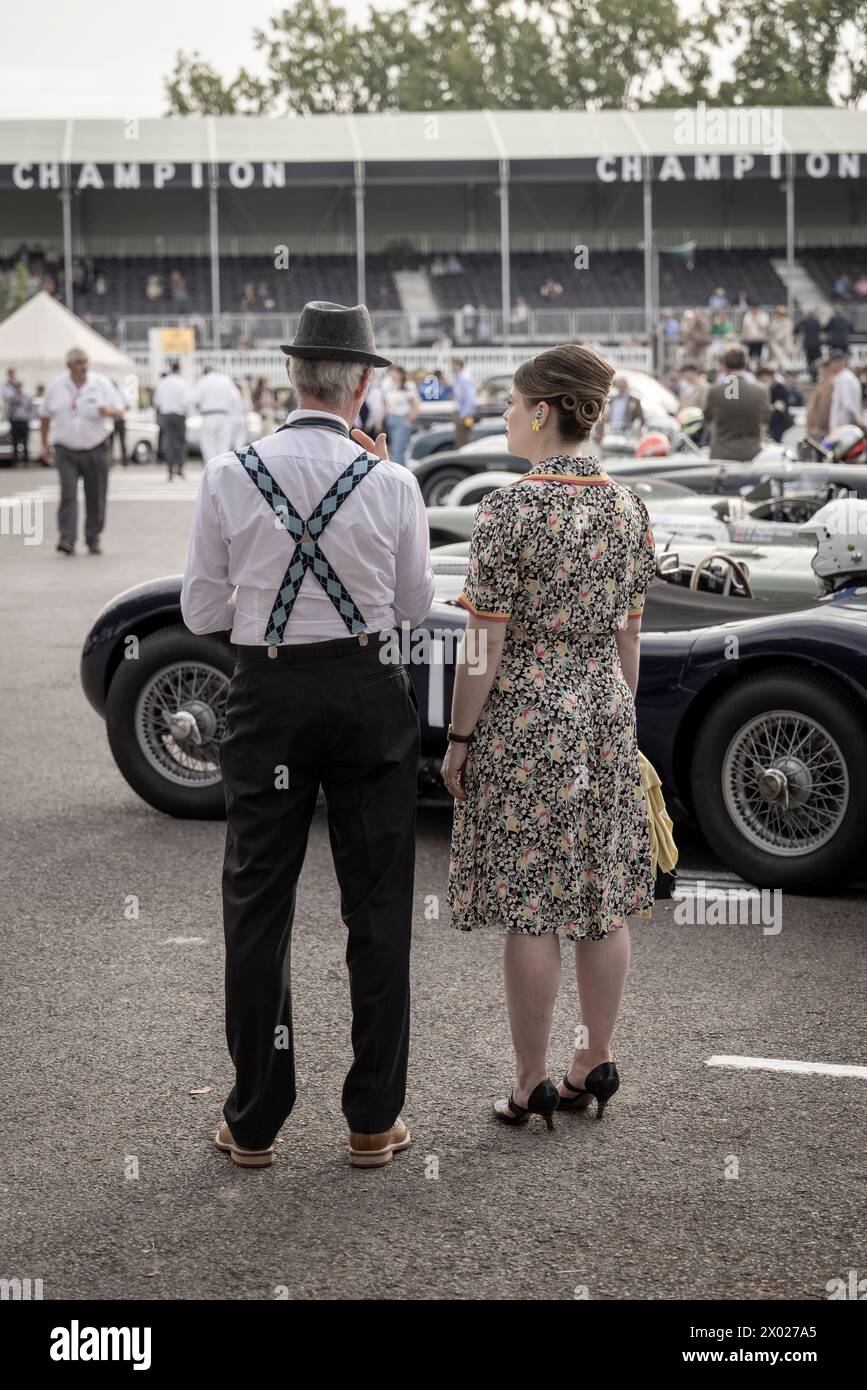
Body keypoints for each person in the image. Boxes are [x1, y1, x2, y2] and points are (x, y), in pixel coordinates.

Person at [180, 300, 435, 1169]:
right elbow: (413, 606)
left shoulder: (229, 472)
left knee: (258, 904)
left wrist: (269, 607)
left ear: (292, 375)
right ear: (361, 385)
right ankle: (372, 1118)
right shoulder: (392, 482)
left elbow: (201, 610)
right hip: (366, 690)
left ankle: (255, 1120)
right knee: (379, 905)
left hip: (268, 691)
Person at [442, 343, 657, 1130]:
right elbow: (629, 634)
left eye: (510, 402)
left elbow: (483, 642)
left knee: (531, 905)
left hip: (526, 714)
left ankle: (530, 1080)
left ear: (541, 412)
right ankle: (592, 1058)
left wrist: (459, 736)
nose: (503, 415)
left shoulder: (508, 509)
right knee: (601, 898)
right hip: (603, 708)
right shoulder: (627, 508)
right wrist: (619, 719)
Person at [40, 347, 124, 554]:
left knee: (96, 495)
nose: (83, 367)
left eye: (85, 362)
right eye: (79, 363)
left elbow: (120, 411)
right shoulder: (56, 386)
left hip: (96, 447)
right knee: (68, 493)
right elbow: (45, 416)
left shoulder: (101, 384)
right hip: (65, 450)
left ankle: (93, 538)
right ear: (69, 366)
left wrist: (108, 411)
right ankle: (67, 538)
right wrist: (44, 445)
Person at [703, 346, 768, 461]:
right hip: (752, 454)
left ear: (724, 366)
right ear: (745, 364)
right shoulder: (761, 391)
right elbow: (765, 420)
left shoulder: (715, 392)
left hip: (722, 454)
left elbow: (707, 417)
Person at [193, 365, 243, 463]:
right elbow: (235, 398)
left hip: (208, 415)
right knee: (223, 444)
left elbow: (195, 399)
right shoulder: (225, 380)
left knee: (208, 444)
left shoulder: (203, 380)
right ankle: (221, 466)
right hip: (224, 415)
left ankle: (211, 466)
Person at [152, 361, 192, 480]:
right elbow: (186, 401)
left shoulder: (163, 383)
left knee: (169, 442)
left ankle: (169, 470)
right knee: (181, 442)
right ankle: (180, 468)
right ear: (179, 369)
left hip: (166, 415)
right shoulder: (182, 383)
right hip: (179, 415)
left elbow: (156, 402)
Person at [382, 365, 418, 464]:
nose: (393, 374)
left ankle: (399, 470)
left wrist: (410, 419)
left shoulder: (408, 385)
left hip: (402, 418)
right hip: (391, 418)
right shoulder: (389, 385)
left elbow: (416, 404)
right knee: (393, 448)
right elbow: (385, 403)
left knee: (398, 449)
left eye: (396, 372)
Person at [1, 368, 33, 465]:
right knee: (14, 441)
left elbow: (30, 409)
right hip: (14, 421)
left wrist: (28, 418)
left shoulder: (26, 398)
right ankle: (15, 461)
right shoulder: (7, 390)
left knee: (25, 441)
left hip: (23, 421)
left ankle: (26, 461)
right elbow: (8, 405)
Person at [827, 351, 864, 432]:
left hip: (844, 428)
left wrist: (847, 427)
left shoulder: (845, 379)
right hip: (843, 428)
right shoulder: (843, 377)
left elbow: (848, 405)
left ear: (838, 363)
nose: (830, 366)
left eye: (831, 363)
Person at [451, 357, 477, 449]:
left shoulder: (464, 378)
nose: (451, 367)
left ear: (458, 365)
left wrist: (463, 415)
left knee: (464, 441)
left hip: (464, 415)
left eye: (453, 365)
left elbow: (470, 399)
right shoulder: (458, 377)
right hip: (460, 413)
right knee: (460, 440)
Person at [805, 360, 833, 442]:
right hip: (815, 432)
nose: (820, 375)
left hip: (821, 432)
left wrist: (818, 428)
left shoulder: (829, 388)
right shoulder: (821, 387)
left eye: (822, 372)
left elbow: (824, 410)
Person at [795, 308, 823, 382]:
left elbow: (796, 328)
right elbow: (821, 329)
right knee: (816, 360)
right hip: (816, 343)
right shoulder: (816, 321)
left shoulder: (805, 321)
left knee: (809, 360)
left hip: (808, 343)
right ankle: (815, 375)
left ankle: (812, 375)